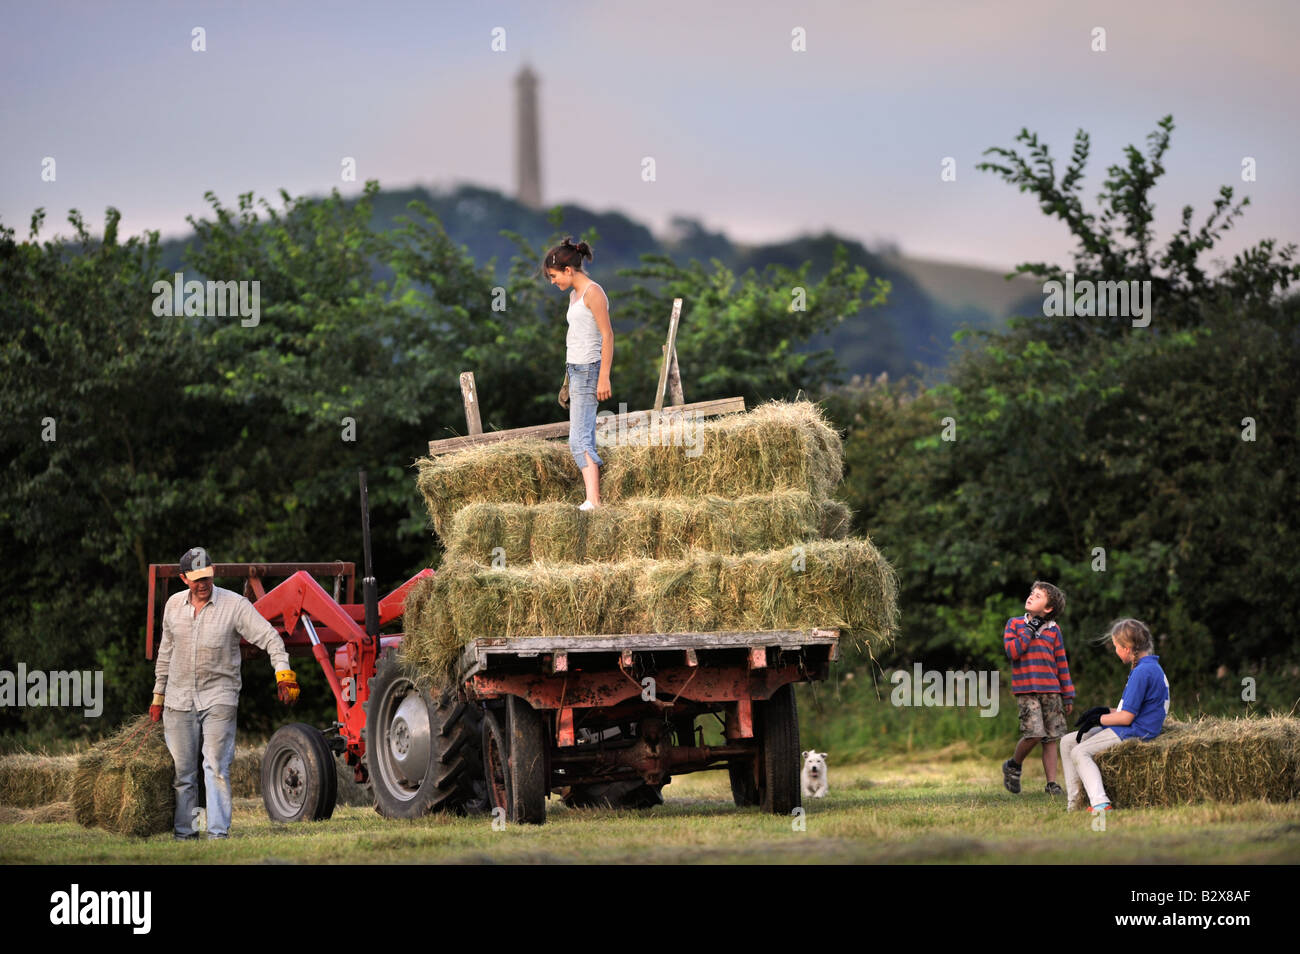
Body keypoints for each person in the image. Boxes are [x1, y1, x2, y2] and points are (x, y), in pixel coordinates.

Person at [150, 547, 299, 839]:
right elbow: (165, 652)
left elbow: (270, 636)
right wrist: (158, 696)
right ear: (183, 579)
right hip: (178, 699)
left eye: (206, 576)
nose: (202, 584)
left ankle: (217, 834)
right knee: (184, 775)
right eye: (196, 579)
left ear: (213, 571)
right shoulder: (172, 606)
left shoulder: (235, 605)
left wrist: (283, 673)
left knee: (216, 767)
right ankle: (187, 833)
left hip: (219, 697)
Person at [1061, 618, 1170, 813]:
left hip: (1137, 731)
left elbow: (1126, 718)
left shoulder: (1142, 672)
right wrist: (1102, 711)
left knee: (1080, 751)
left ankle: (1101, 804)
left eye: (1116, 647)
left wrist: (1098, 719)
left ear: (1127, 648)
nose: (1115, 651)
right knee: (1067, 741)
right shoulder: (1148, 667)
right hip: (1131, 725)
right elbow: (1127, 710)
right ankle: (1075, 804)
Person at [544, 237, 613, 510]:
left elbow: (607, 335)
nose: (552, 282)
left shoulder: (593, 293)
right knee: (584, 435)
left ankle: (593, 500)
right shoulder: (574, 295)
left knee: (578, 439)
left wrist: (604, 376)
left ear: (568, 270)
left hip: (588, 370)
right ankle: (593, 497)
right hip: (575, 370)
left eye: (553, 276)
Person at [1001, 581, 1074, 796]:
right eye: (1031, 593)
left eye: (1038, 595)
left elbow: (1062, 663)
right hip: (1027, 690)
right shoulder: (1014, 624)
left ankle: (1051, 784)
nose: (1031, 596)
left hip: (1052, 691)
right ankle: (1014, 765)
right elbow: (1012, 652)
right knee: (1034, 733)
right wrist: (1028, 631)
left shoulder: (1053, 631)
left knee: (1051, 738)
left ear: (1048, 608)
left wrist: (1068, 694)